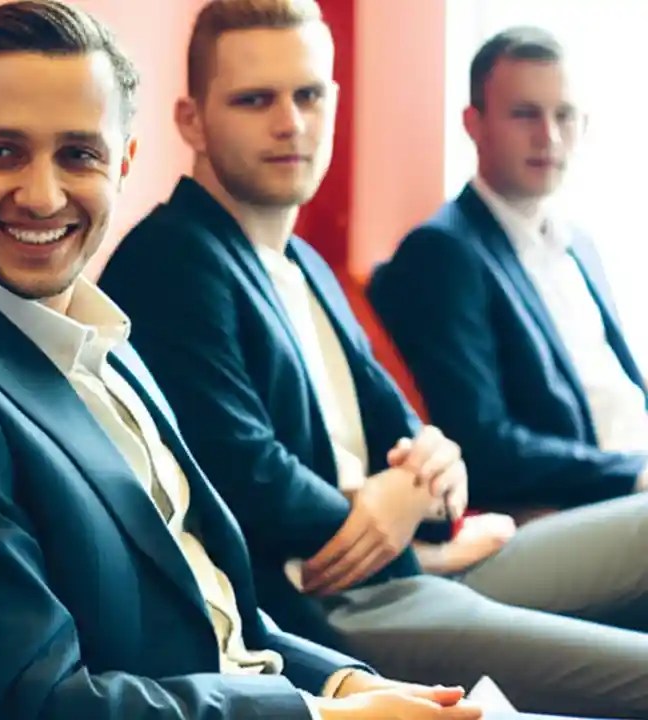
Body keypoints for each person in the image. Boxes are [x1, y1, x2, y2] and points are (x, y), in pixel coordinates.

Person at [0, 2, 486, 719]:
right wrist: (323, 718)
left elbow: (225, 614)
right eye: (2, 152)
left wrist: (347, 685)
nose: (42, 195)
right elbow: (35, 702)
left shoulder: (110, 338)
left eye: (79, 154)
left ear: (125, 162)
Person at [98, 1, 648, 716]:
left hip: (416, 566)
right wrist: (403, 520)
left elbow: (418, 438)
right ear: (191, 121)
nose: (291, 122)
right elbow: (248, 477)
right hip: (333, 609)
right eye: (255, 99)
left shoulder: (302, 261)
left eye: (309, 95)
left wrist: (425, 488)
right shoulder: (172, 258)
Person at [369, 28, 648, 525]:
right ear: (473, 124)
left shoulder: (579, 245)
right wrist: (632, 472)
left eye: (563, 115)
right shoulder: (443, 252)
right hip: (572, 508)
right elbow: (485, 445)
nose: (549, 137)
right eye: (525, 114)